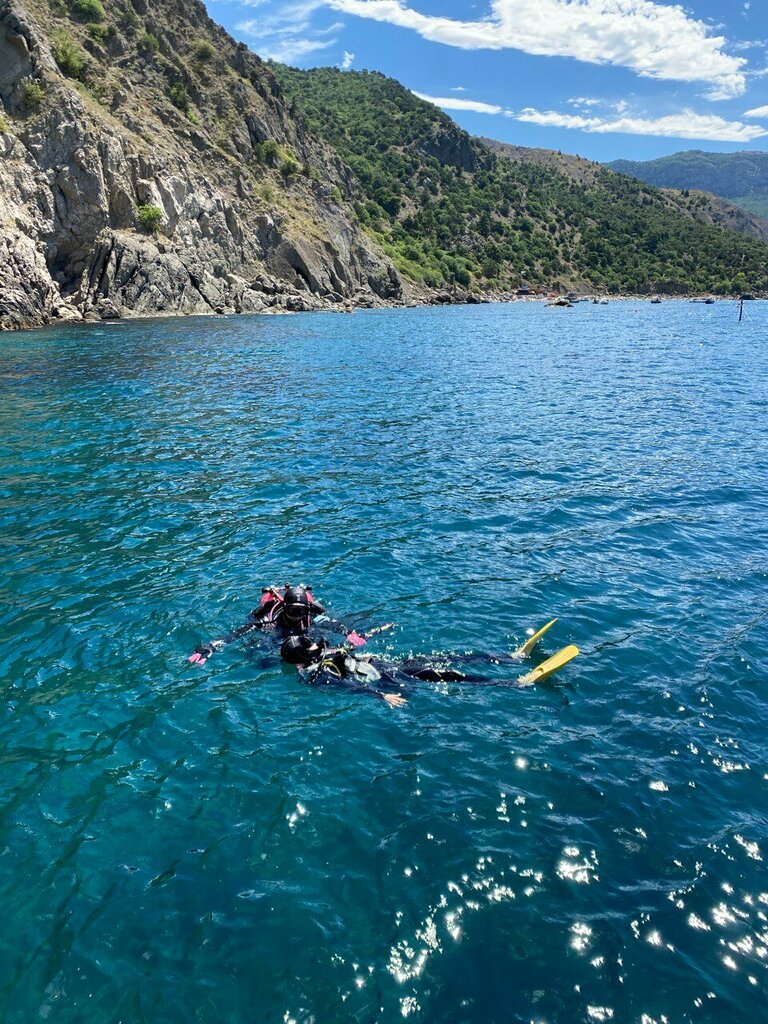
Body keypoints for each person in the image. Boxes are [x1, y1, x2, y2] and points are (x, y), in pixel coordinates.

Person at [279, 633, 580, 707]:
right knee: (445, 675)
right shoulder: (318, 673)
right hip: (386, 678)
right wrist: (380, 697)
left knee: (452, 659)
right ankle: (517, 683)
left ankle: (510, 656)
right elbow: (348, 686)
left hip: (387, 665)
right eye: (307, 645)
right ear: (299, 658)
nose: (314, 644)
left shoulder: (322, 655)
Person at [188, 583, 373, 665]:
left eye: (300, 612)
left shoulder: (310, 617)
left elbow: (332, 623)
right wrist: (211, 646)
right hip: (278, 636)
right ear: (285, 609)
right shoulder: (270, 622)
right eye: (292, 611)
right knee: (259, 659)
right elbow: (239, 633)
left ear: (307, 610)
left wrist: (348, 632)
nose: (296, 616)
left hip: (301, 638)